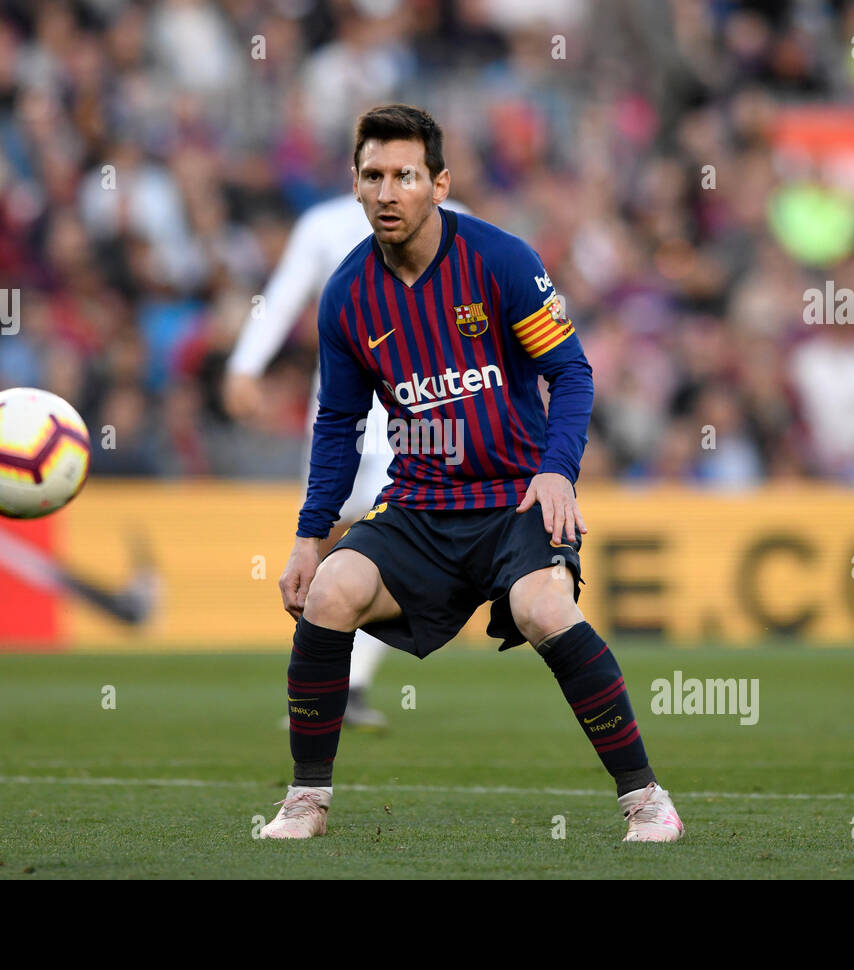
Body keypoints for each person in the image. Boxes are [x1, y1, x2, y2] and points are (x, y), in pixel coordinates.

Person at [260, 104, 683, 843]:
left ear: (439, 183)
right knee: (329, 592)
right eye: (373, 176)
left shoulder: (501, 260)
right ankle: (305, 803)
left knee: (546, 610)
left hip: (515, 499)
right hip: (419, 508)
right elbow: (337, 425)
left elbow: (572, 372)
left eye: (405, 176)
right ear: (354, 187)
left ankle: (647, 800)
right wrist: (308, 536)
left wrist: (559, 472)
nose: (388, 192)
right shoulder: (347, 297)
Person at [226, 192, 467, 730]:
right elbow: (283, 296)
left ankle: (349, 683)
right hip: (339, 414)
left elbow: (518, 307)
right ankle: (324, 678)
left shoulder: (465, 227)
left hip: (423, 416)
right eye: (375, 166)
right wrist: (245, 365)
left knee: (391, 536)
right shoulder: (324, 223)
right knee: (323, 536)